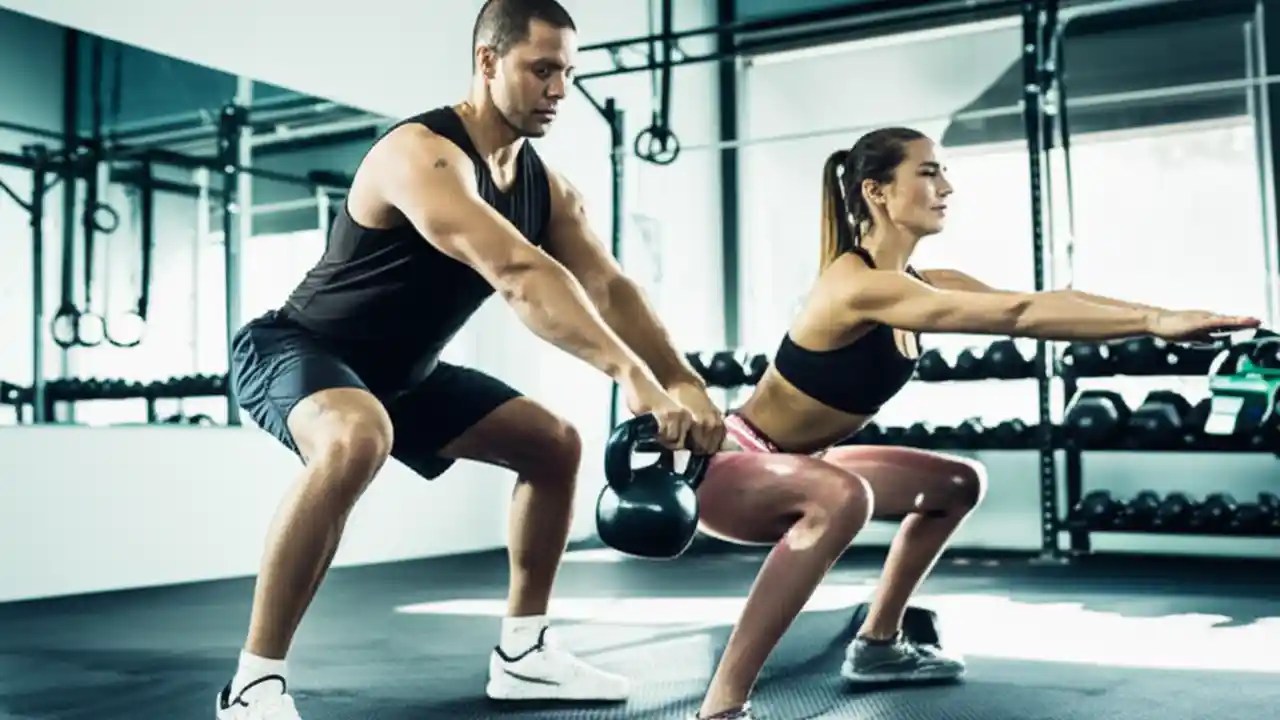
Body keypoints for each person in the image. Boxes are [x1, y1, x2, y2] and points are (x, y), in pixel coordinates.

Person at [215, 1, 726, 718]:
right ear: (487, 62)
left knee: (554, 446)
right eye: (541, 69)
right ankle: (251, 687)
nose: (559, 91)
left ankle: (524, 655)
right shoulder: (421, 155)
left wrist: (681, 377)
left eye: (568, 74)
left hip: (404, 377)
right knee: (359, 435)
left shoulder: (546, 187)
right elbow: (519, 272)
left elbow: (609, 284)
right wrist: (631, 377)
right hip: (299, 348)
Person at [682, 127, 1261, 720]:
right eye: (928, 172)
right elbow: (1018, 315)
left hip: (804, 464)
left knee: (956, 483)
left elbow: (1039, 303)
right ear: (876, 192)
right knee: (842, 494)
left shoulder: (926, 284)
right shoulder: (855, 286)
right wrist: (1152, 321)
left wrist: (1160, 316)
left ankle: (879, 645)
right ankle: (722, 706)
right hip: (732, 468)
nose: (946, 187)